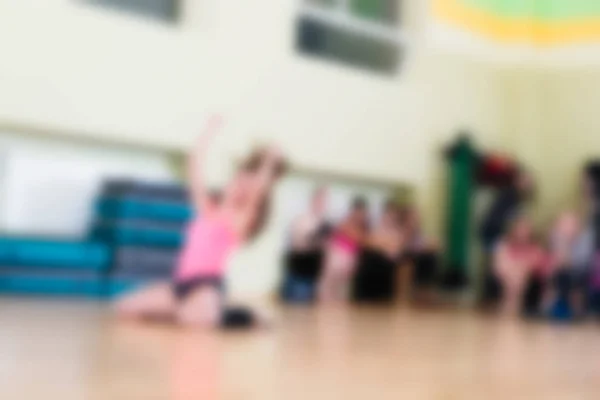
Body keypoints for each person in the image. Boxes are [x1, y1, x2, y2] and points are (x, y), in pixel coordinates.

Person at [115, 115, 287, 328]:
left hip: (206, 285)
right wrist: (209, 130)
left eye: (243, 185)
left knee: (195, 321)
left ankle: (247, 315)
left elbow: (259, 189)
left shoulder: (238, 220)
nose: (236, 184)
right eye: (236, 179)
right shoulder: (206, 208)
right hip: (181, 284)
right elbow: (194, 164)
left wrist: (269, 160)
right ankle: (193, 310)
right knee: (125, 308)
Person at [480, 170, 535, 304]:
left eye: (528, 182)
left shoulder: (514, 198)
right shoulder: (509, 197)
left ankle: (502, 296)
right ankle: (497, 296)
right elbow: (503, 221)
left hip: (498, 235)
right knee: (499, 264)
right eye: (524, 181)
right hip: (495, 234)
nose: (526, 184)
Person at [281, 187, 331, 303]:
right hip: (299, 271)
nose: (321, 204)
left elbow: (325, 248)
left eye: (324, 202)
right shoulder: (302, 220)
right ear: (313, 201)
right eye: (319, 201)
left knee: (307, 312)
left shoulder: (325, 223)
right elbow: (298, 244)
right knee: (294, 309)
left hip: (313, 273)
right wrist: (314, 238)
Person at [352, 200, 405, 304]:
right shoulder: (374, 229)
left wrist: (381, 244)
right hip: (371, 268)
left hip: (385, 269)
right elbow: (368, 242)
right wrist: (383, 244)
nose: (389, 217)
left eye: (392, 215)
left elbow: (394, 251)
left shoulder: (397, 233)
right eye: (387, 214)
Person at [318, 197, 369, 303]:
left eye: (363, 212)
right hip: (336, 260)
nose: (361, 214)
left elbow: (361, 242)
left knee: (342, 294)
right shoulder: (344, 223)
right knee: (328, 291)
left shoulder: (363, 226)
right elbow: (357, 238)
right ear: (354, 210)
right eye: (359, 211)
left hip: (349, 262)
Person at [492, 215, 545, 316]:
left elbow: (537, 263)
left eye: (526, 229)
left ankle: (511, 303)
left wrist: (520, 267)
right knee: (515, 274)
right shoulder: (504, 244)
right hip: (506, 276)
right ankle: (514, 302)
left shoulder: (535, 246)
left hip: (528, 277)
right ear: (514, 229)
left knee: (520, 273)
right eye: (520, 229)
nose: (523, 232)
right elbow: (499, 265)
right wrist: (514, 268)